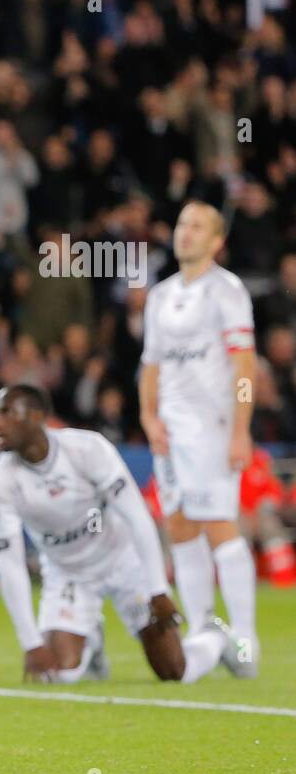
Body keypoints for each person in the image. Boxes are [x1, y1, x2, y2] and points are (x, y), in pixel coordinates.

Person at [0, 385, 246, 684]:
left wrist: (158, 589)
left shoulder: (87, 450)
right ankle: (90, 642)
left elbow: (137, 516)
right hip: (69, 573)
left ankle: (214, 638)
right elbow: (10, 563)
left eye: (6, 413)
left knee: (175, 671)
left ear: (36, 416)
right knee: (53, 675)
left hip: (124, 562)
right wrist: (31, 643)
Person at [138, 201, 260, 676]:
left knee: (219, 524)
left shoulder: (226, 292)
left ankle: (246, 641)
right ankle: (203, 629)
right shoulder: (161, 296)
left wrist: (240, 429)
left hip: (212, 428)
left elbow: (244, 363)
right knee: (180, 527)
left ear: (216, 242)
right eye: (182, 224)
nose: (185, 233)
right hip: (170, 431)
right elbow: (151, 363)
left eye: (197, 227)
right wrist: (149, 417)